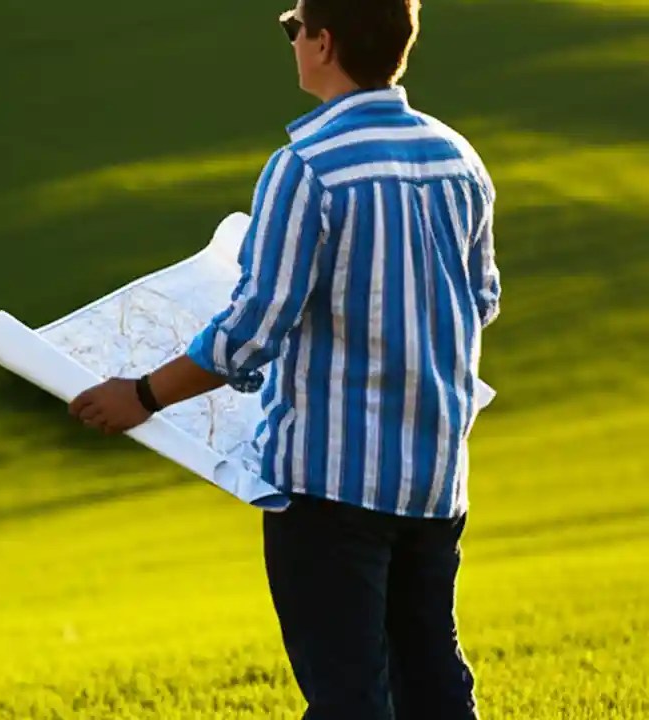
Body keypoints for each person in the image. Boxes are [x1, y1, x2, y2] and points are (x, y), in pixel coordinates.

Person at [67, 0, 500, 717]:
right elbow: (480, 300)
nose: (292, 37)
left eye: (293, 25)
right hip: (434, 480)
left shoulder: (308, 168)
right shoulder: (459, 159)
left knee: (347, 696)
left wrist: (140, 395)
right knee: (433, 681)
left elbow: (250, 331)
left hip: (331, 489)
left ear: (323, 42)